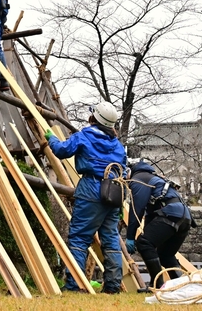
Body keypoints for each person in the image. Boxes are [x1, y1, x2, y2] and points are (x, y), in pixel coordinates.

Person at [44, 102, 127, 294]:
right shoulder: (117, 145)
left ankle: (75, 284)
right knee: (111, 238)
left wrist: (51, 138)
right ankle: (113, 286)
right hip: (114, 191)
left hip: (91, 189)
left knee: (79, 238)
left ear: (94, 118)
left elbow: (62, 150)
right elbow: (124, 169)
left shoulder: (85, 136)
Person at [126, 161, 193, 290]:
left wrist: (130, 236)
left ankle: (157, 285)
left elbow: (136, 209)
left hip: (171, 213)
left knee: (144, 243)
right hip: (184, 217)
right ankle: (180, 286)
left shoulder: (139, 179)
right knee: (165, 255)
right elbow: (151, 216)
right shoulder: (154, 179)